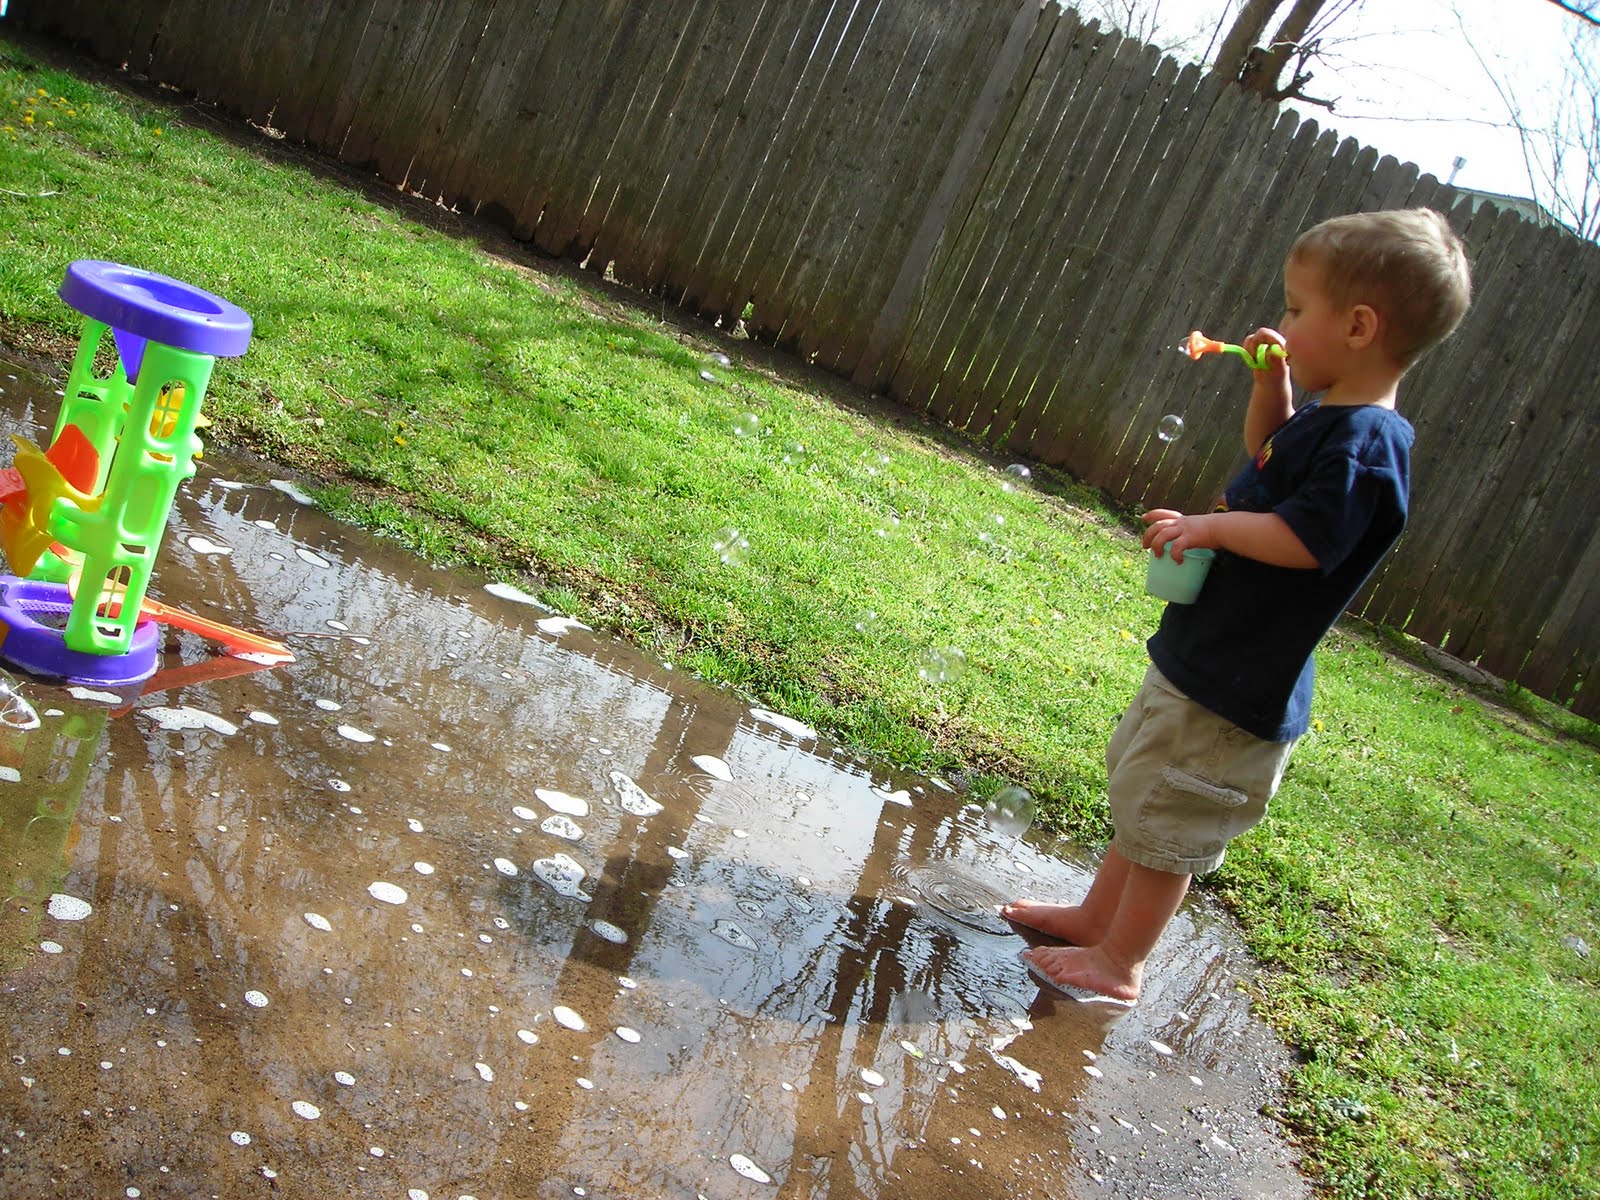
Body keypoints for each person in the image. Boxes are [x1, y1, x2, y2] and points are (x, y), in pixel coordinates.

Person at [1004, 208, 1472, 1003]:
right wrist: (1271, 383)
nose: (1282, 321)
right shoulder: (1327, 423)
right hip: (1208, 658)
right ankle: (1094, 919)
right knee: (1145, 793)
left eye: (1297, 308)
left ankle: (1120, 963)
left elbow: (1303, 538)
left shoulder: (1371, 444)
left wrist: (1210, 525)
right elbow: (1268, 452)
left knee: (1171, 827)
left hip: (1241, 687)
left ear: (1359, 325)